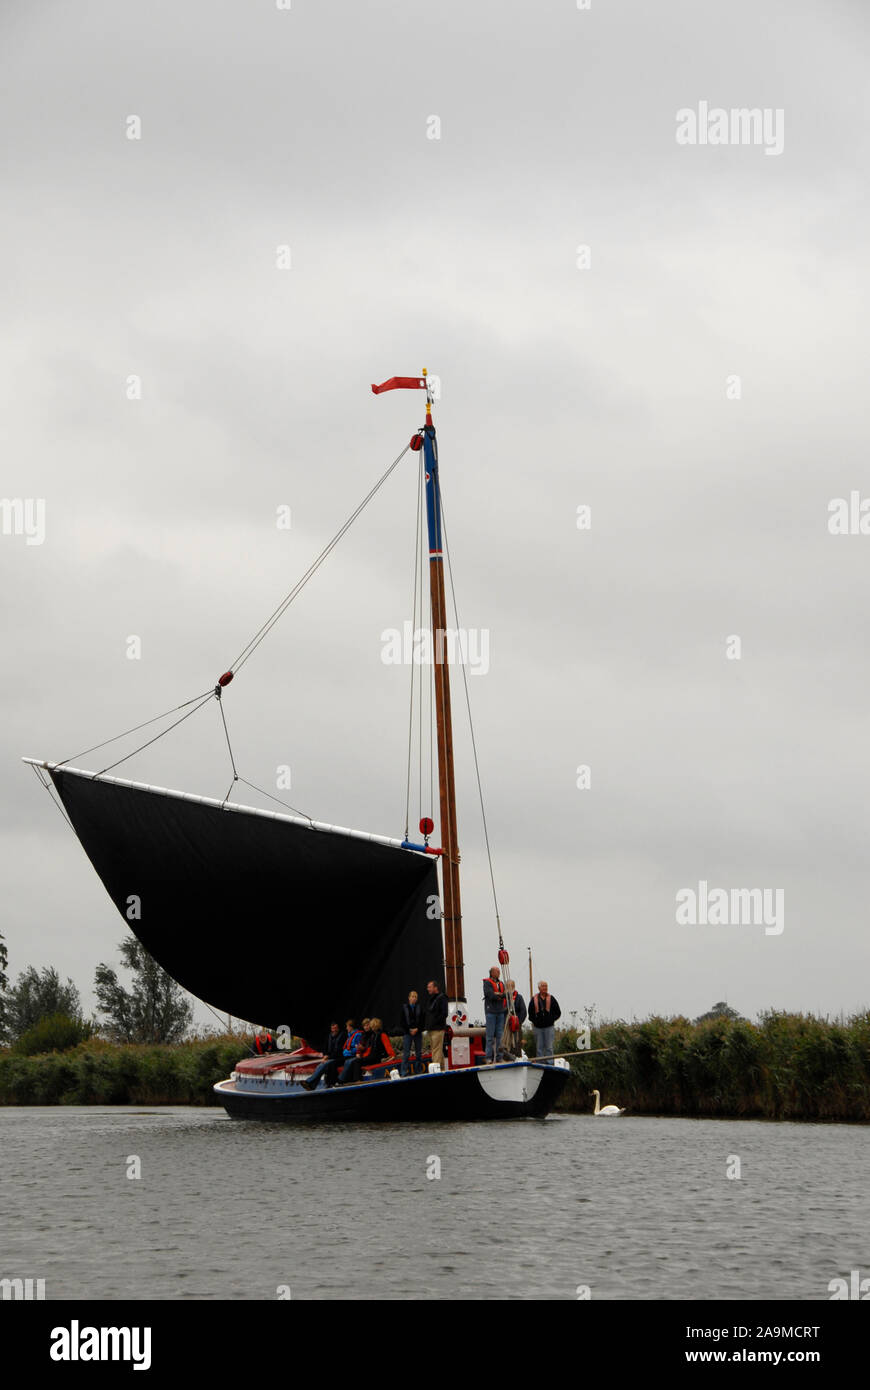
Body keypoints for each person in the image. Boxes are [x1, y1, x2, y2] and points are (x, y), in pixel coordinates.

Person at [528, 981, 561, 1060]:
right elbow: (530, 1013)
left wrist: (551, 1020)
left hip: (549, 1027)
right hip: (538, 1028)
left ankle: (550, 1062)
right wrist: (535, 1022)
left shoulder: (552, 998)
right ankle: (540, 1063)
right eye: (543, 986)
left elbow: (558, 1012)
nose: (545, 988)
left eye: (546, 986)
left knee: (549, 1047)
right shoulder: (534, 999)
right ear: (539, 988)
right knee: (539, 1047)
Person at [483, 966, 508, 1064]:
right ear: (492, 973)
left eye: (499, 971)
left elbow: (505, 994)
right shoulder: (487, 983)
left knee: (500, 1036)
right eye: (497, 971)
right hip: (491, 1012)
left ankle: (499, 1057)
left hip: (500, 1012)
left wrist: (499, 994)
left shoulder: (501, 983)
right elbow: (490, 995)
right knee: (489, 1037)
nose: (499, 973)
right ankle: (488, 1057)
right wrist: (499, 995)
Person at [423, 980, 449, 1070]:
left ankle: (435, 1069)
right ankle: (441, 1069)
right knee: (437, 1049)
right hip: (431, 1029)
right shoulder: (431, 999)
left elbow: (444, 1013)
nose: (428, 989)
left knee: (436, 1050)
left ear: (435, 988)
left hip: (438, 1029)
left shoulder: (442, 998)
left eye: (429, 987)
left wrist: (435, 1022)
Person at [400, 990, 423, 1076]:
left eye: (415, 997)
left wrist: (417, 1029)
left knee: (419, 1053)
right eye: (412, 996)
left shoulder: (420, 1008)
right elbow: (402, 1022)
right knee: (406, 1053)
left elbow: (422, 1021)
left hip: (417, 1032)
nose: (413, 998)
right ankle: (404, 1072)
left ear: (417, 999)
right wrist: (409, 1030)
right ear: (409, 998)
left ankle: (418, 1071)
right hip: (407, 1033)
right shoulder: (404, 1007)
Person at [502, 980, 527, 1059]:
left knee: (516, 1043)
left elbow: (523, 1011)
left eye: (510, 986)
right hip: (504, 1026)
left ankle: (517, 1057)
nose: (508, 988)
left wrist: (518, 1023)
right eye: (507, 986)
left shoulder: (519, 997)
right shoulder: (503, 998)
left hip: (515, 1025)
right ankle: (506, 1058)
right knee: (505, 1043)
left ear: (513, 987)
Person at [336, 1019, 364, 1085]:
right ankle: (336, 1080)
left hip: (352, 1055)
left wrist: (349, 1052)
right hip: (347, 1055)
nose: (346, 1028)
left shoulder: (358, 1035)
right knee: (334, 1062)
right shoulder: (349, 1035)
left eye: (347, 1026)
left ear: (351, 1027)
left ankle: (340, 1080)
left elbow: (357, 1048)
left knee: (349, 1062)